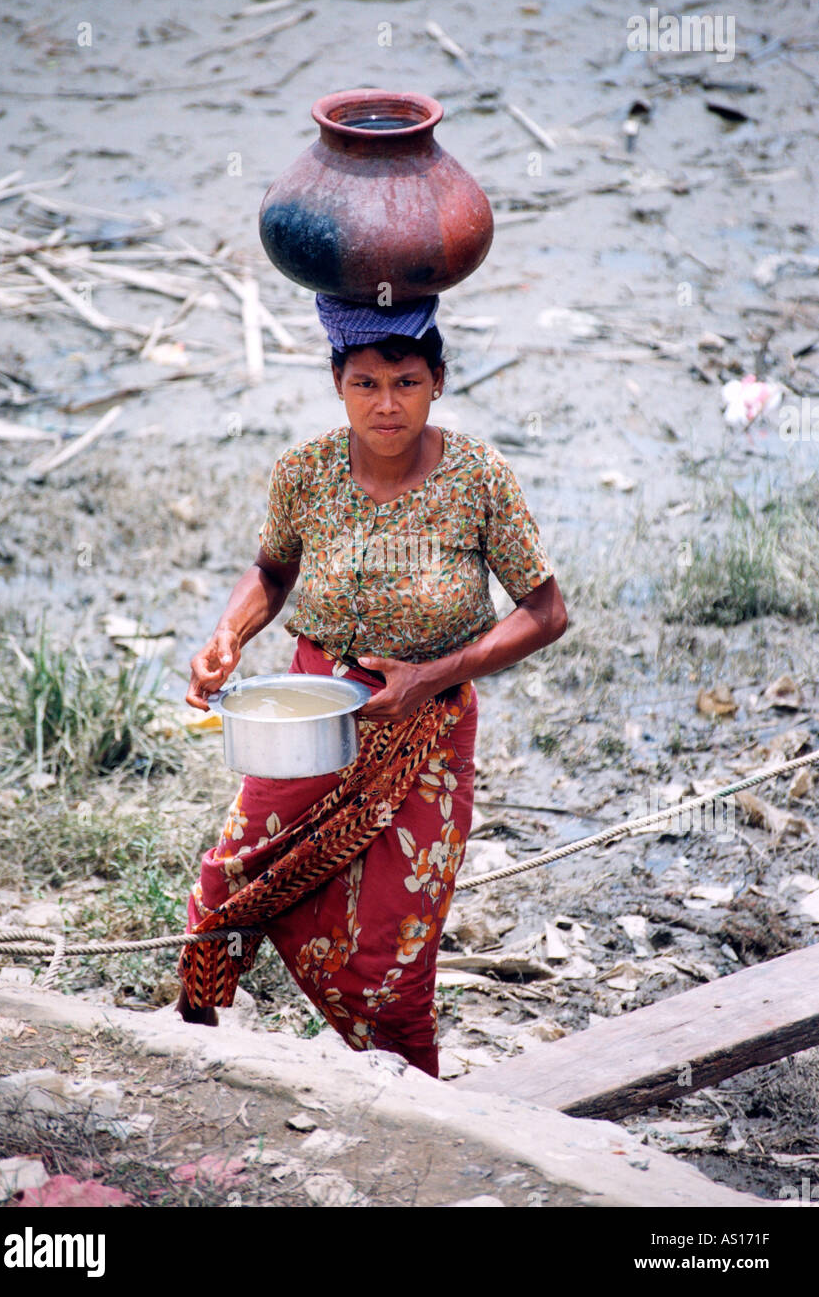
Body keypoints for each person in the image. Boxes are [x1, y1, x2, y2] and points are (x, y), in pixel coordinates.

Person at [176, 292, 568, 1078]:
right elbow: (271, 571)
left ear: (439, 382)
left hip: (431, 719)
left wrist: (434, 674)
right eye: (364, 385)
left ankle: (413, 1095)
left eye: (406, 383)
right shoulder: (306, 472)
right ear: (336, 384)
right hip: (313, 706)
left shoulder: (478, 479)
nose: (385, 406)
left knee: (399, 937)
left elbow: (546, 613)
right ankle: (191, 1048)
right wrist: (228, 634)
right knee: (234, 876)